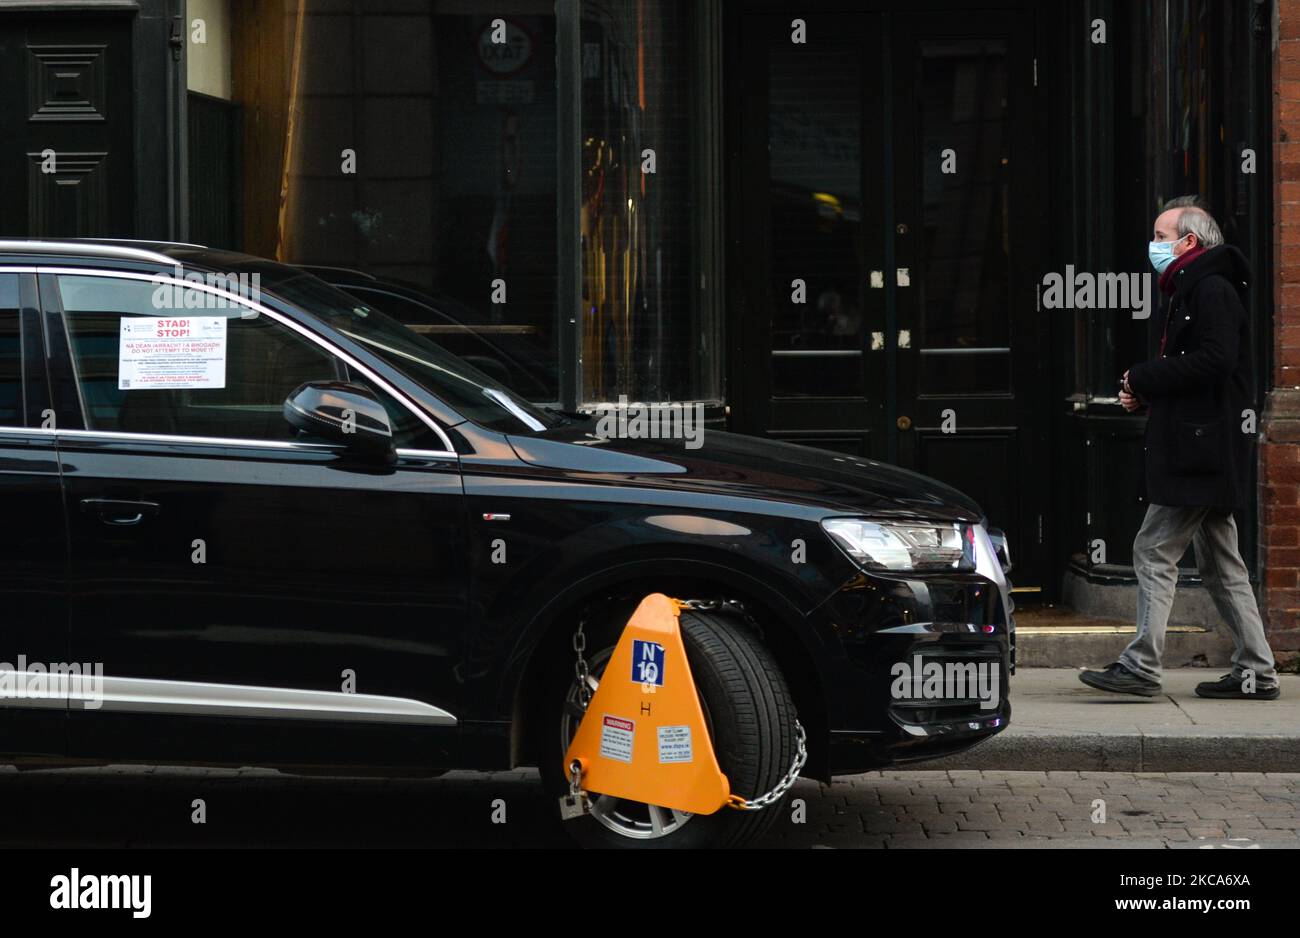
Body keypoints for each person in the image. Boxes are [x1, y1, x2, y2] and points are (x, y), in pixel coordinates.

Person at [1079, 198, 1279, 700]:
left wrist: (1144, 375)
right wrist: (1146, 392)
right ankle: (1257, 671)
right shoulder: (1196, 287)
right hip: (1207, 447)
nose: (1154, 246)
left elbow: (1214, 359)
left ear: (1189, 242)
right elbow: (1204, 373)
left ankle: (1142, 665)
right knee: (1221, 564)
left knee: (1152, 549)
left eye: (1161, 236)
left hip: (1200, 453)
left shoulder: (1210, 288)